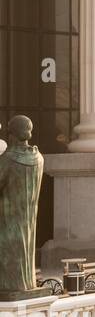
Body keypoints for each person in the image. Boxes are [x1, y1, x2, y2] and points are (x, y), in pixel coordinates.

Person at [0, 115, 44, 295]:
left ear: (11, 134)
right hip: (27, 216)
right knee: (25, 251)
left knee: (9, 252)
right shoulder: (38, 158)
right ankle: (24, 284)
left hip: (7, 218)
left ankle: (10, 286)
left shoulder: (8, 159)